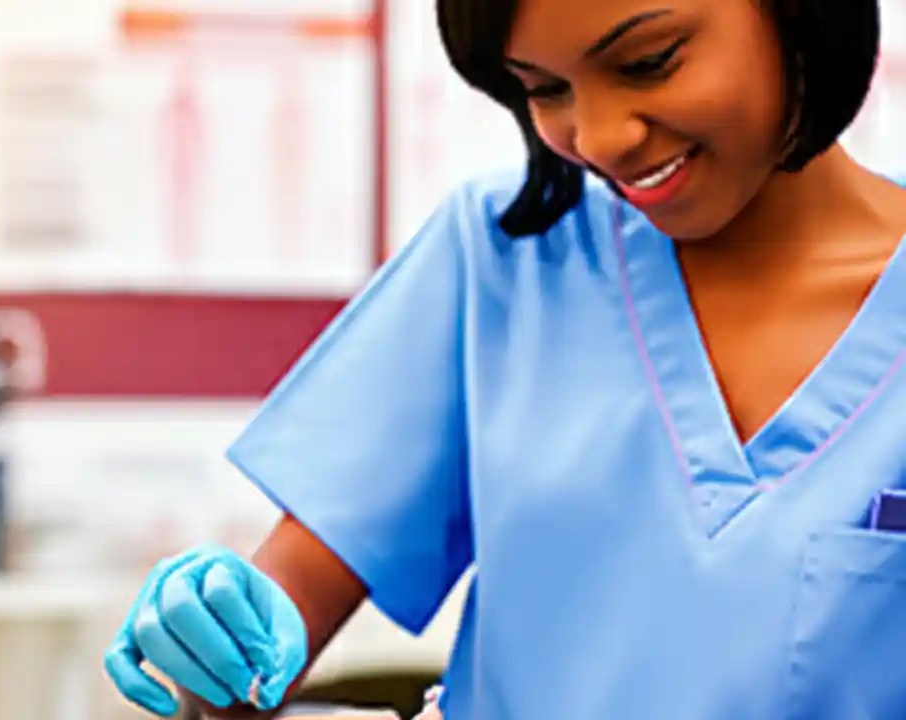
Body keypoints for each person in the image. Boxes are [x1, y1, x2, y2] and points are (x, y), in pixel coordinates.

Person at [105, 0, 906, 717]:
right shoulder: (505, 258)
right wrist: (217, 642)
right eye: (545, 88)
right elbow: (271, 637)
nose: (598, 138)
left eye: (648, 62)